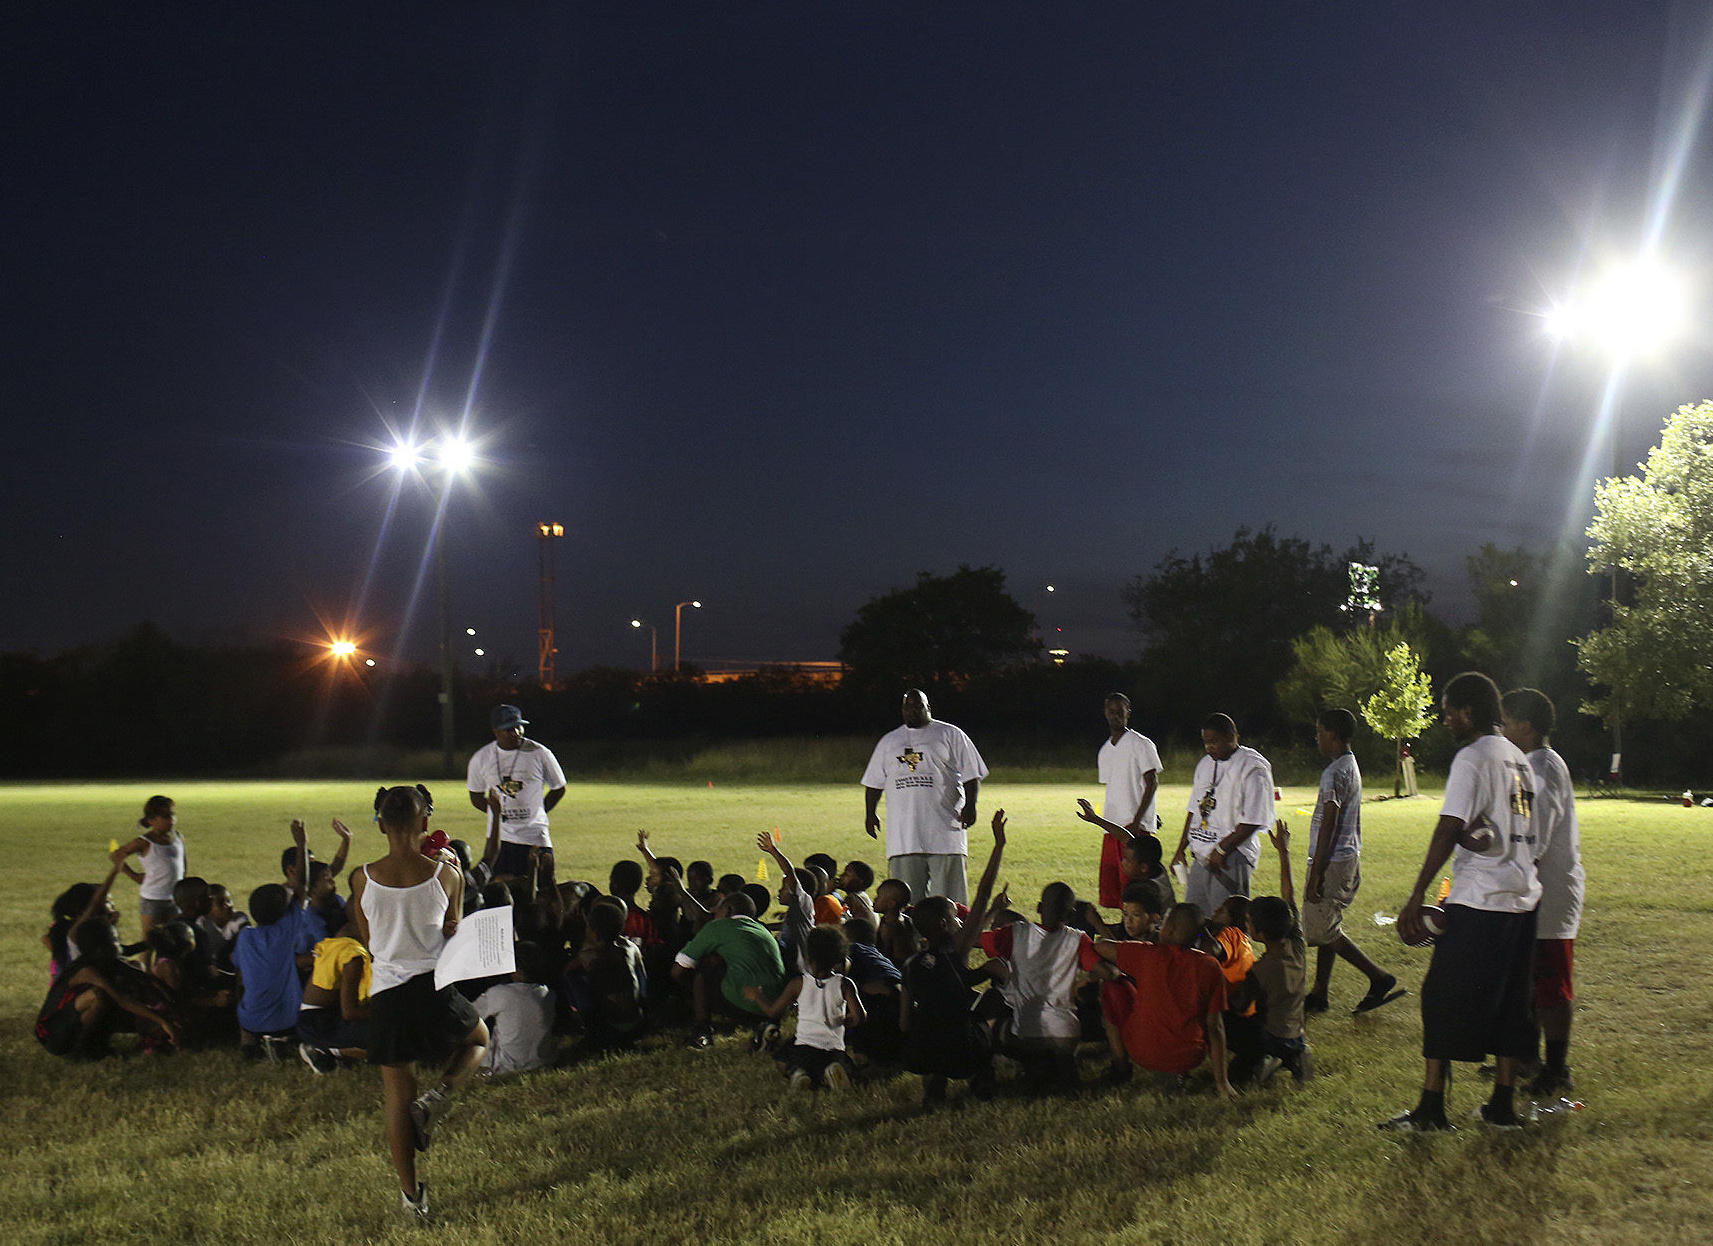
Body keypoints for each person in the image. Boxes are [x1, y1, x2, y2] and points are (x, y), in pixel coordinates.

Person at [1381, 672, 1539, 1132]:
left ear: (1469, 711)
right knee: (1510, 1002)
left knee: (1441, 997)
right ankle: (1502, 1106)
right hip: (1521, 898)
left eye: (1450, 710)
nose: (1446, 719)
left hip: (1482, 898)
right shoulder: (1519, 758)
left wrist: (1417, 894)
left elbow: (1449, 826)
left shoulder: (1472, 757)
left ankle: (1432, 1108)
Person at [351, 784, 490, 1218]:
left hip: (388, 993)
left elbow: (368, 941)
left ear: (381, 825)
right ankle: (439, 1097)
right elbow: (454, 928)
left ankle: (412, 1197)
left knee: (397, 1096)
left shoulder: (361, 878)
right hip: (433, 988)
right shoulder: (447, 875)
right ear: (425, 822)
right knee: (478, 1040)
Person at [1500, 686, 1585, 1100]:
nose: (1501, 730)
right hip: (1532, 891)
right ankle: (1527, 1058)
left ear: (1527, 728)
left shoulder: (1543, 767)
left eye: (1506, 723)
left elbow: (1536, 834)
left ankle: (1557, 1068)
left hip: (1549, 894)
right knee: (1530, 981)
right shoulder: (1529, 765)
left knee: (1551, 986)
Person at [899, 810, 1007, 1104]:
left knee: (935, 1034)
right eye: (955, 916)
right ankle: (982, 1074)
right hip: (961, 1049)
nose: (961, 920)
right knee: (994, 1003)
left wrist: (993, 911)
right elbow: (983, 893)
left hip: (920, 1050)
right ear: (944, 925)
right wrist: (999, 845)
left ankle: (934, 1086)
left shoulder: (911, 964)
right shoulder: (957, 950)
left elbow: (904, 1023)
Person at [1301, 709, 1404, 1016]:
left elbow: (1329, 823)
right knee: (1327, 921)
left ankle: (1378, 976)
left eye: (1320, 732)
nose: (1317, 738)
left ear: (1332, 734)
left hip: (1333, 859)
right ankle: (1320, 992)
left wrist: (1317, 872)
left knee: (1320, 928)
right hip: (1346, 856)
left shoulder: (1333, 772)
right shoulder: (1350, 764)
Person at [1093, 903, 1235, 1098]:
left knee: (1113, 988)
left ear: (1170, 929)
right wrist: (1222, 1083)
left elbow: (1101, 946)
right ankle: (1179, 1072)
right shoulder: (1211, 967)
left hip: (1143, 1051)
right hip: (1190, 1056)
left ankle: (1120, 1063)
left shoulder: (1147, 954)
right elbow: (1215, 1028)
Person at [862, 688, 989, 905]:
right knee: (906, 903)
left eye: (918, 705)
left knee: (949, 903)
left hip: (945, 833)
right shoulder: (889, 741)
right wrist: (870, 813)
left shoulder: (951, 734)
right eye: (908, 706)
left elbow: (971, 774)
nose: (913, 710)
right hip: (904, 838)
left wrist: (971, 805)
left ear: (928, 707)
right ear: (902, 710)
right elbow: (874, 783)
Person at [1227, 821, 1312, 1084]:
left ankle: (1264, 1059)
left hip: (1271, 1037)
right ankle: (1295, 1055)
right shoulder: (1296, 944)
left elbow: (1241, 1006)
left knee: (1225, 1023)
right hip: (1296, 1033)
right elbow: (1289, 895)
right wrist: (1283, 852)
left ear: (1259, 933)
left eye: (1249, 922)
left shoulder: (1261, 970)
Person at [1171, 715, 1274, 919]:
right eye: (1206, 742)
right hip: (1202, 853)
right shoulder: (1205, 764)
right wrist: (1181, 849)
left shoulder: (1253, 767)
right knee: (1194, 919)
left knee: (1227, 921)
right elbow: (1194, 810)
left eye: (1214, 741)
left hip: (1231, 856)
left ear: (1231, 737)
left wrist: (1221, 849)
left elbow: (1254, 819)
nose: (1209, 747)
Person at [233, 821, 320, 1060]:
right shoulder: (286, 931)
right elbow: (302, 886)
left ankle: (247, 1041)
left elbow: (239, 971)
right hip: (289, 1021)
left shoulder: (245, 936)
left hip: (250, 1021)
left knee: (242, 987)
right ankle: (281, 1040)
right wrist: (301, 844)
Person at [747, 924, 867, 1091]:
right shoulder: (845, 984)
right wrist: (844, 1021)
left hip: (803, 1049)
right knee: (844, 1067)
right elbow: (860, 1016)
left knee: (780, 1061)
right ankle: (830, 1073)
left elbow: (773, 1012)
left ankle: (798, 1073)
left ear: (808, 957)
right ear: (838, 958)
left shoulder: (798, 984)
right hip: (834, 1051)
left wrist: (757, 996)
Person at [673, 891, 788, 1050]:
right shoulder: (762, 930)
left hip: (746, 1001)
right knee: (721, 962)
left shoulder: (719, 926)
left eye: (717, 911)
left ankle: (702, 1031)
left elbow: (678, 969)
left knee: (704, 968)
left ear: (727, 910)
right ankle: (763, 1025)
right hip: (773, 1005)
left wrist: (689, 993)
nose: (714, 915)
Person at [466, 704, 568, 881]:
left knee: (541, 890)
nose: (515, 733)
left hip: (535, 837)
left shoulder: (540, 753)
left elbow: (559, 787)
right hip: (500, 841)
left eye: (518, 727)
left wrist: (539, 810)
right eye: (508, 729)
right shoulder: (481, 758)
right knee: (499, 892)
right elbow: (475, 795)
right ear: (495, 731)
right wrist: (497, 815)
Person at [1094, 694, 1162, 909]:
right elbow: (1117, 787)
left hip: (1134, 828)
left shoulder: (1140, 744)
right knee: (1115, 891)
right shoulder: (1105, 750)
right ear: (1105, 713)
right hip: (1112, 827)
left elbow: (1152, 782)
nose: (1115, 715)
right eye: (1111, 711)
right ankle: (1124, 927)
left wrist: (1139, 819)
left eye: (1120, 711)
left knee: (1136, 891)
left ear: (1128, 713)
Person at [110, 794, 185, 942]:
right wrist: (134, 876)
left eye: (172, 815)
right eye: (166, 817)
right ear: (152, 820)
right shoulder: (144, 842)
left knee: (174, 940)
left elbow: (182, 861)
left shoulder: (178, 837)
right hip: (153, 899)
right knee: (150, 942)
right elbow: (116, 856)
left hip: (175, 897)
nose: (171, 820)